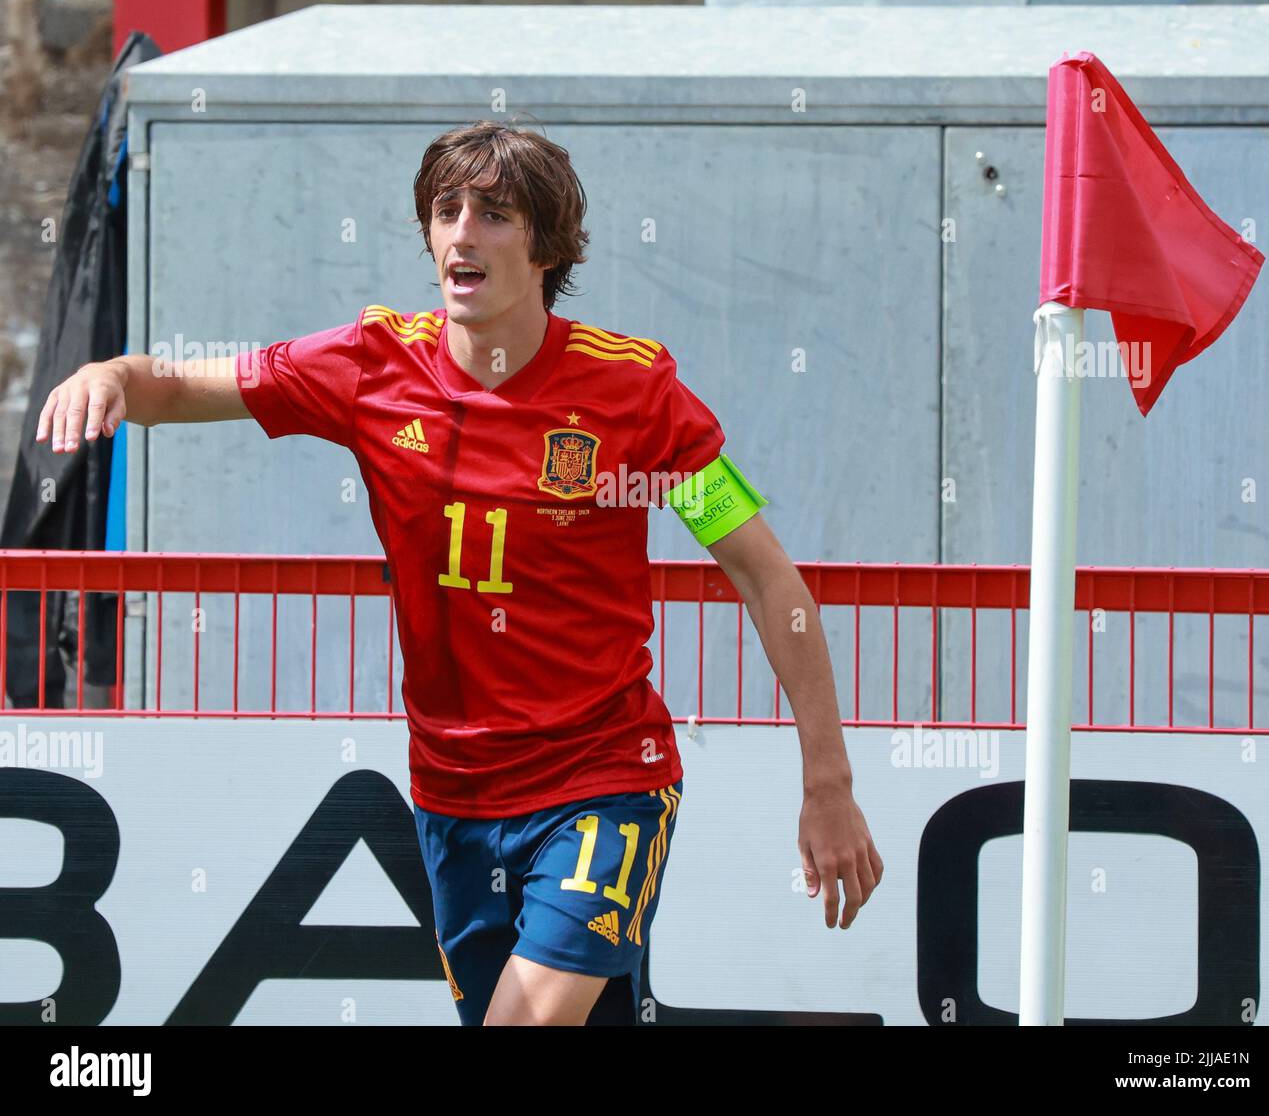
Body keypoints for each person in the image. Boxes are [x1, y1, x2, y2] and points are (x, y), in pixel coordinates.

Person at [34, 119, 884, 1026]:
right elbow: (180, 385)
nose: (461, 233)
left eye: (494, 214)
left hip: (606, 779)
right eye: (445, 211)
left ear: (546, 247)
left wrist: (827, 783)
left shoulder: (635, 393)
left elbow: (765, 577)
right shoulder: (370, 364)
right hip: (454, 797)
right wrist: (112, 373)